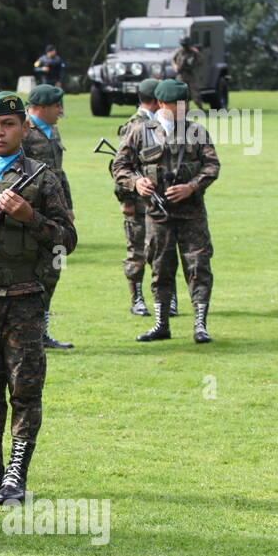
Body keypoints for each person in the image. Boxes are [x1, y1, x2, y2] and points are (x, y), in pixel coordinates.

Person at [0, 91, 76, 506]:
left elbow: (67, 240)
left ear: (24, 128)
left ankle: (16, 476)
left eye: (7, 125)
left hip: (23, 297)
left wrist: (30, 217)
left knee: (25, 390)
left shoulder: (42, 177)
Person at [112, 79, 220, 344]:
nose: (182, 109)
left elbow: (212, 165)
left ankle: (200, 325)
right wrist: (136, 183)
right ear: (161, 104)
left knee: (198, 267)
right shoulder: (139, 131)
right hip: (157, 214)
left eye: (184, 103)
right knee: (160, 267)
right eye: (176, 104)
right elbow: (120, 167)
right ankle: (161, 324)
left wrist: (192, 187)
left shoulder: (196, 131)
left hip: (191, 213)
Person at [22, 85, 74, 348]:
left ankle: (41, 332)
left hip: (54, 215)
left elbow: (59, 173)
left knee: (53, 271)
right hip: (31, 216)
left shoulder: (51, 131)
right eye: (57, 105)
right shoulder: (24, 133)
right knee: (34, 275)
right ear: (41, 107)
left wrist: (67, 207)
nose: (60, 110)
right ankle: (30, 334)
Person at [112, 78, 160, 314]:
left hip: (156, 201)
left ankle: (163, 298)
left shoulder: (160, 123)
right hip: (138, 201)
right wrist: (126, 199)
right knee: (137, 251)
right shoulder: (135, 125)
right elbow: (119, 166)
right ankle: (137, 298)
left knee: (159, 250)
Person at [172, 36, 206, 109]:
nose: (184, 46)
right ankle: (184, 111)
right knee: (182, 94)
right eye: (183, 45)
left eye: (185, 45)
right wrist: (175, 66)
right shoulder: (178, 52)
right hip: (180, 76)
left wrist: (197, 52)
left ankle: (200, 108)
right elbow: (173, 61)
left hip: (190, 75)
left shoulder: (193, 52)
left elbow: (202, 60)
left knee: (195, 94)